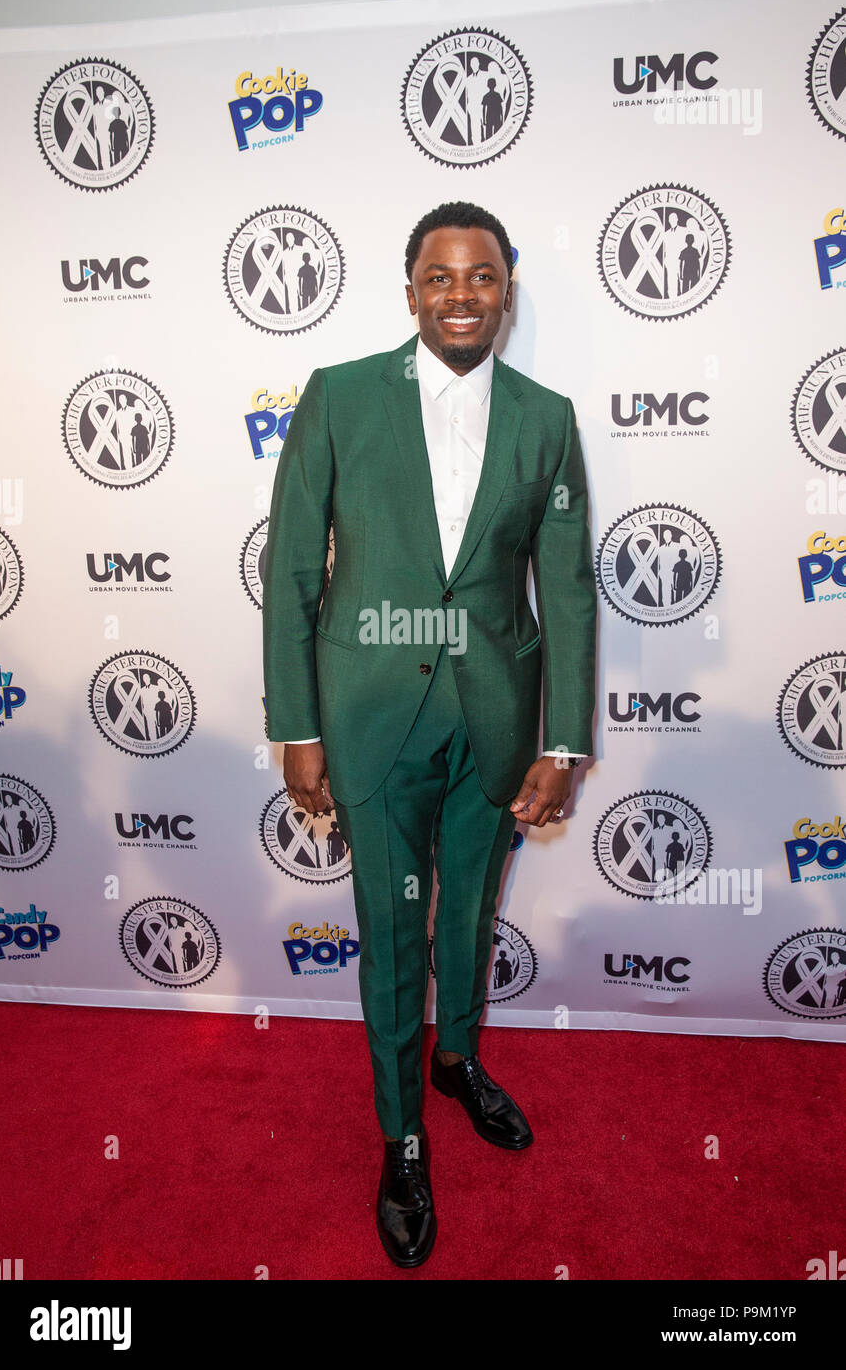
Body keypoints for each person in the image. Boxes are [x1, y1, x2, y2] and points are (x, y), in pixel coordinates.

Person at [262, 201, 597, 1268]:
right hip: (369, 719)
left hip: (493, 718)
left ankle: (456, 1061)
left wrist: (564, 741)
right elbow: (289, 576)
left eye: (483, 275)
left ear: (506, 291)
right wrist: (297, 722)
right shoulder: (340, 396)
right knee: (395, 932)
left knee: (469, 916)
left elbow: (570, 589)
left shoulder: (545, 417)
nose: (462, 293)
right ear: (409, 291)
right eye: (440, 276)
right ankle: (400, 1134)